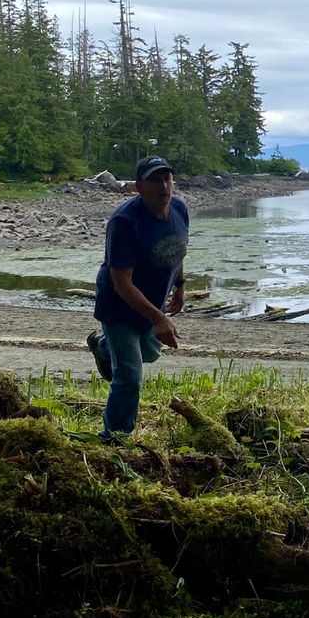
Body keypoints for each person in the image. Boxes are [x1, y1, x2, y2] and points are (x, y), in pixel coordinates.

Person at [88, 155, 189, 436]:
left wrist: (180, 284)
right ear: (138, 187)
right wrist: (159, 319)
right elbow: (121, 283)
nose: (164, 186)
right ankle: (115, 437)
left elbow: (176, 248)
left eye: (167, 178)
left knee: (150, 352)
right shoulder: (124, 221)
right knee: (129, 377)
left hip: (152, 299)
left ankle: (104, 347)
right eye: (155, 180)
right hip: (119, 303)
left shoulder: (180, 209)